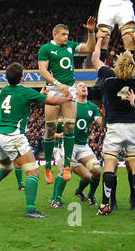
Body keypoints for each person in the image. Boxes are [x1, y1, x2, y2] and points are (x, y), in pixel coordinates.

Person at [0, 63, 69, 218]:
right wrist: (66, 98)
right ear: (22, 77)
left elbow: (22, 98)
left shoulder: (4, 90)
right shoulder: (25, 91)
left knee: (5, 168)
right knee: (33, 173)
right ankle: (31, 210)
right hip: (13, 136)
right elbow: (50, 101)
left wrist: (38, 93)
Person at [87, 34, 135, 215]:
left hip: (114, 127)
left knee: (110, 165)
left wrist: (99, 39)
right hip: (133, 127)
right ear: (132, 66)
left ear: (117, 64)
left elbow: (94, 58)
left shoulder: (108, 77)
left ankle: (106, 204)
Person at [37, 20, 97, 183]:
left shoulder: (70, 46)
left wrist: (91, 33)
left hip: (69, 90)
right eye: (63, 34)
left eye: (67, 35)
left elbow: (89, 48)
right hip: (54, 89)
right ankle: (48, 167)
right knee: (50, 128)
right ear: (55, 34)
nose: (66, 37)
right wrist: (57, 84)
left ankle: (68, 166)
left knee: (70, 126)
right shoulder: (46, 48)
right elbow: (42, 70)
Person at [60, 82, 103, 208]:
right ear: (75, 91)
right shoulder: (71, 104)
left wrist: (104, 117)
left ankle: (90, 195)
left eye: (85, 86)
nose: (84, 87)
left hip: (83, 146)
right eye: (80, 86)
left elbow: (101, 123)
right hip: (69, 145)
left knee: (97, 172)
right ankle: (56, 199)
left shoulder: (92, 107)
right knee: (65, 172)